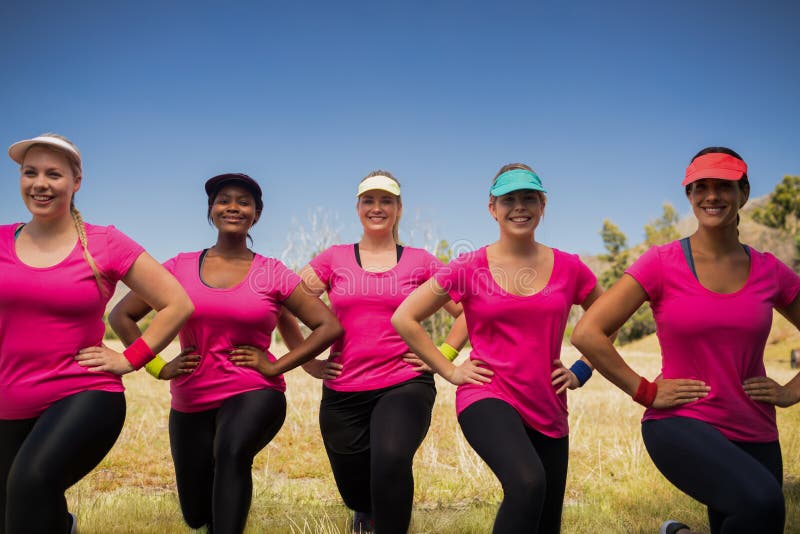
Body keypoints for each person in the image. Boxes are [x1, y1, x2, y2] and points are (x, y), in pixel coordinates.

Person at [571, 147, 800, 534]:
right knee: (763, 503)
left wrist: (792, 390)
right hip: (682, 422)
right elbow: (587, 333)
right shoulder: (661, 262)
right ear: (690, 196)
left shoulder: (769, 271)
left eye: (723, 186)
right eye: (701, 187)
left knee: (751, 522)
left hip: (755, 427)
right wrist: (643, 390)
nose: (712, 196)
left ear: (743, 193)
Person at [109, 173, 342, 534]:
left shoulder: (271, 273)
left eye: (244, 202)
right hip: (191, 398)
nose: (233, 207)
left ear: (256, 215)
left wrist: (276, 365)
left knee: (231, 454)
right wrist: (156, 366)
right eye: (224, 200)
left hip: (254, 391)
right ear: (211, 210)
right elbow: (121, 315)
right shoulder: (178, 268)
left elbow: (328, 326)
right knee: (196, 512)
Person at [392, 163, 602, 534]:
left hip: (549, 403)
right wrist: (450, 369)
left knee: (545, 521)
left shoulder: (571, 268)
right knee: (527, 483)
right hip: (487, 393)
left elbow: (606, 322)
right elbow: (405, 317)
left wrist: (581, 370)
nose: (519, 207)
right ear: (492, 208)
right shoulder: (469, 266)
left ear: (543, 205)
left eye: (528, 198)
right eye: (509, 199)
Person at [0, 133, 194, 534]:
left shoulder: (105, 242)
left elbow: (177, 303)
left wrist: (130, 359)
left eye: (54, 174)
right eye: (29, 172)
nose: (40, 183)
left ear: (76, 181)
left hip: (82, 394)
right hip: (9, 397)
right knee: (14, 509)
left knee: (29, 484)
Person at [296, 170, 461, 534]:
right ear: (357, 208)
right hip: (343, 387)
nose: (377, 207)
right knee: (356, 487)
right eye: (369, 200)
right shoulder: (333, 259)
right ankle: (367, 512)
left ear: (399, 208)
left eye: (386, 200)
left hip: (405, 382)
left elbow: (468, 309)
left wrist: (444, 353)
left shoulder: (420, 261)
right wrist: (305, 360)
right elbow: (284, 303)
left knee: (390, 459)